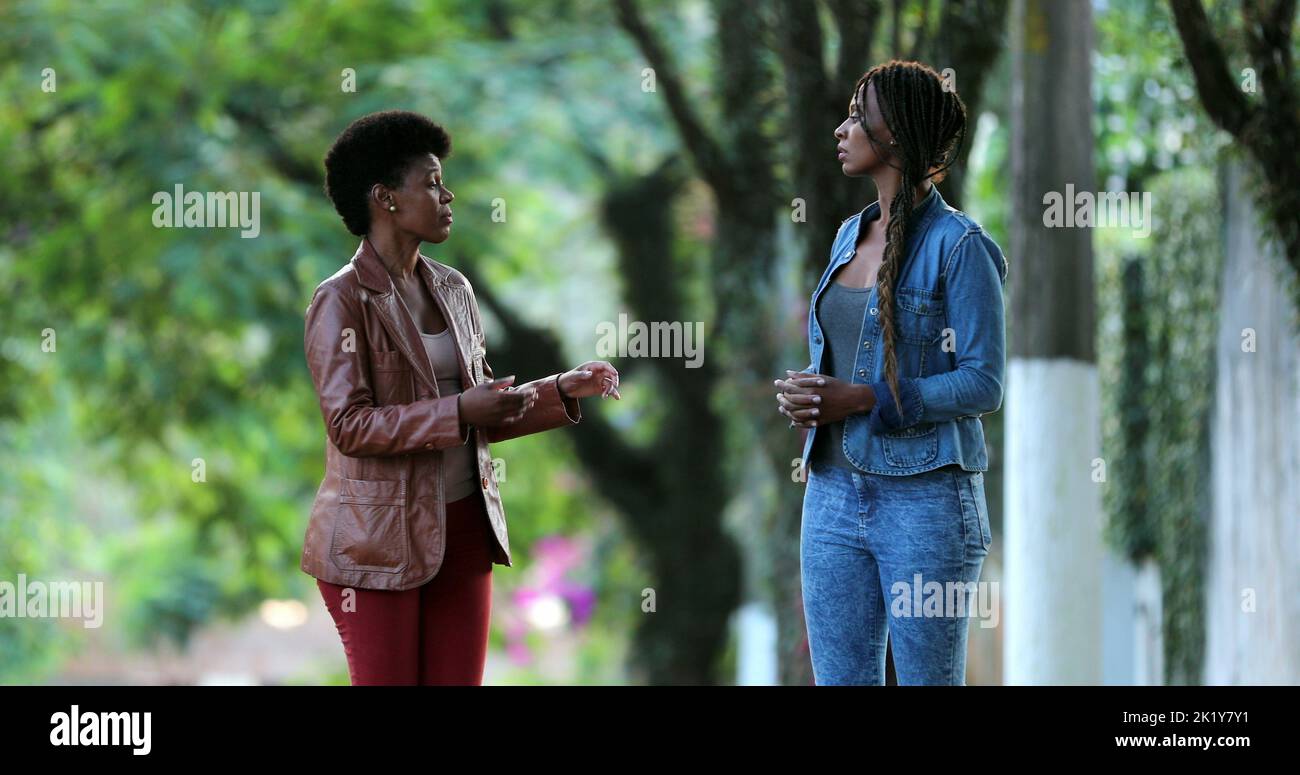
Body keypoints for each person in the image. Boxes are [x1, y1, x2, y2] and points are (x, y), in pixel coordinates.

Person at [302, 110, 620, 685]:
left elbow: (479, 412)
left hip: (465, 531)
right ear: (386, 198)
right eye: (429, 182)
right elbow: (349, 426)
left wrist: (557, 390)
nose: (447, 195)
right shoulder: (341, 301)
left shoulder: (453, 287)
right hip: (376, 548)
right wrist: (458, 412)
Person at [775, 61, 1008, 685]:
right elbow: (853, 353)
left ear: (897, 136)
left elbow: (983, 382)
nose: (841, 128)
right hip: (830, 494)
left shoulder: (962, 248)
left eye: (858, 115)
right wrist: (814, 394)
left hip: (926, 500)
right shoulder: (849, 234)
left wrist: (862, 398)